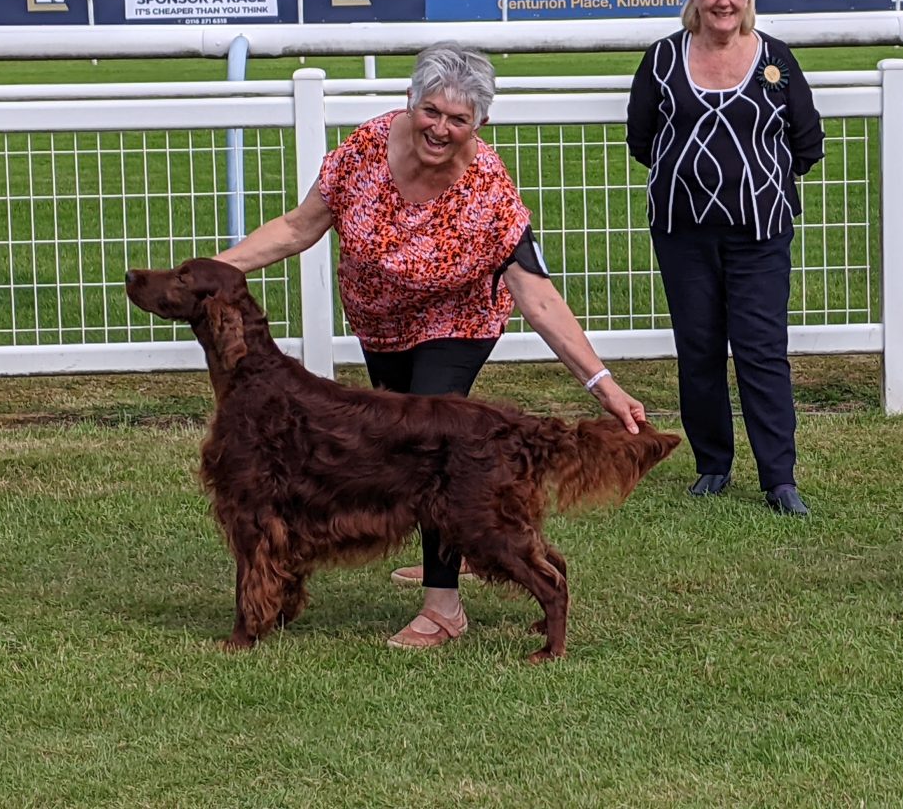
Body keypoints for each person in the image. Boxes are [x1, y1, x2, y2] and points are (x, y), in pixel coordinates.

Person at [215, 43, 646, 649]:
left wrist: (602, 384)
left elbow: (538, 296)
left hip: (457, 320)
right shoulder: (364, 151)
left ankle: (444, 607)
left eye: (458, 120)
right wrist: (219, 268)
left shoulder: (489, 194)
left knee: (437, 449)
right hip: (381, 319)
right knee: (397, 454)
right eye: (432, 111)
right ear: (411, 103)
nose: (441, 129)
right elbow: (297, 227)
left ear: (480, 125)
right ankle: (464, 544)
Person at [626, 0, 824, 516]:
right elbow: (643, 140)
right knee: (700, 350)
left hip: (760, 232)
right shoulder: (663, 60)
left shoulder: (777, 60)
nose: (723, 1)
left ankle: (778, 478)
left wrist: (756, 182)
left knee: (763, 353)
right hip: (683, 232)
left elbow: (806, 143)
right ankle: (712, 464)